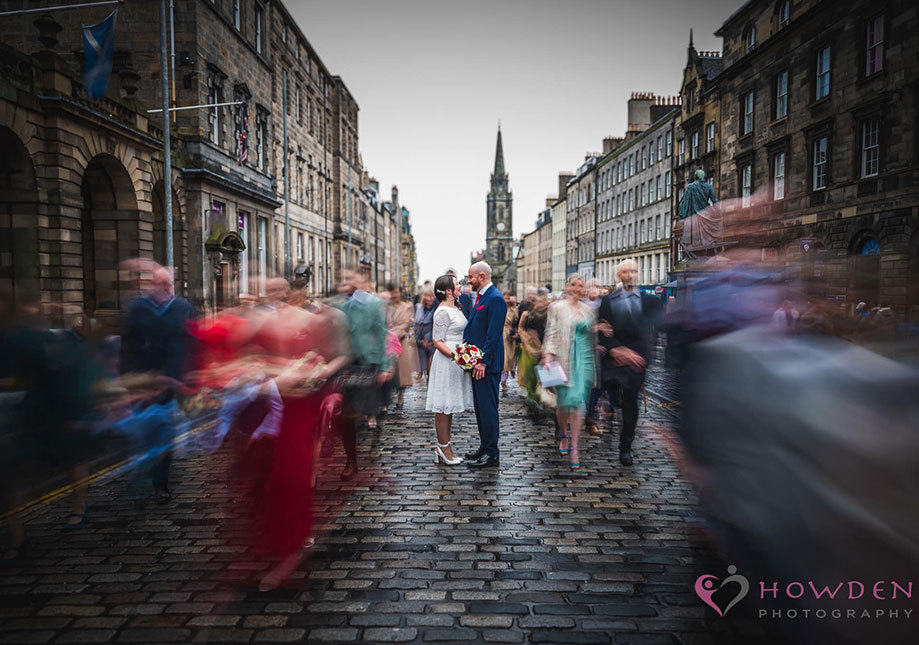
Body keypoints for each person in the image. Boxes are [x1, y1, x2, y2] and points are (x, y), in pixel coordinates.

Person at [120, 265, 194, 504]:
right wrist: (128, 377)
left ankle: (160, 483)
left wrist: (190, 376)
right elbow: (127, 346)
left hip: (172, 380)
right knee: (144, 430)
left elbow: (193, 344)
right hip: (144, 380)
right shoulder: (138, 308)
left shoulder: (184, 308)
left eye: (167, 283)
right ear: (152, 284)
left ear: (172, 284)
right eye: (159, 283)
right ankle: (144, 470)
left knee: (164, 432)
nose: (163, 288)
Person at [597, 260, 660, 466]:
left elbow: (653, 334)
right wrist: (616, 350)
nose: (630, 275)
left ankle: (626, 447)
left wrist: (643, 356)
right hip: (614, 360)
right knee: (615, 398)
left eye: (633, 271)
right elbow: (603, 331)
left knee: (630, 404)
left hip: (636, 361)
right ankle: (610, 403)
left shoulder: (649, 301)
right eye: (625, 271)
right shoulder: (607, 302)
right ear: (619, 275)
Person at [336, 271, 391, 480]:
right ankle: (351, 459)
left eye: (352, 279)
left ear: (362, 282)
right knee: (346, 414)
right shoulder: (339, 305)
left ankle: (370, 438)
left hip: (369, 362)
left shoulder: (375, 304)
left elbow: (382, 332)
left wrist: (386, 365)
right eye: (344, 280)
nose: (347, 283)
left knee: (365, 409)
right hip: (347, 363)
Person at [543, 274, 597, 470]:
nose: (577, 288)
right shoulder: (556, 308)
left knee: (578, 404)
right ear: (567, 287)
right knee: (564, 404)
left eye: (580, 285)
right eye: (573, 285)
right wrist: (548, 356)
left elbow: (592, 336)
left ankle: (575, 447)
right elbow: (550, 333)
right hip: (564, 358)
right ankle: (563, 434)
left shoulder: (588, 310)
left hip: (584, 360)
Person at [424, 275, 474, 465]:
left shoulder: (455, 307)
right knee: (443, 407)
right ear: (448, 291)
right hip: (447, 362)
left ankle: (446, 446)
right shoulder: (443, 311)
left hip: (456, 359)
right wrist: (456, 356)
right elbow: (437, 341)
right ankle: (442, 447)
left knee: (450, 406)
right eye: (456, 285)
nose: (460, 286)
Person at [462, 261, 507, 468]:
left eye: (471, 276)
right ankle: (484, 446)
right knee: (481, 409)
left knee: (488, 409)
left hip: (486, 366)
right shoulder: (482, 296)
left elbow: (494, 335)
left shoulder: (495, 298)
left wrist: (483, 362)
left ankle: (492, 453)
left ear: (482, 276)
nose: (468, 280)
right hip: (477, 363)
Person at [387, 284, 418, 410]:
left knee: (402, 372)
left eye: (396, 292)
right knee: (389, 371)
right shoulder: (386, 307)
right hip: (388, 343)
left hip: (402, 342)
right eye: (392, 292)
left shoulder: (407, 307)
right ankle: (386, 399)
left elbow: (407, 323)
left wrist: (394, 331)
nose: (394, 295)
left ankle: (400, 396)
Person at [517, 288, 549, 407]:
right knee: (531, 374)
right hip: (530, 348)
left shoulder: (548, 314)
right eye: (539, 301)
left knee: (543, 373)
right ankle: (533, 398)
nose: (541, 304)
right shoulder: (527, 314)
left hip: (543, 347)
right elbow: (520, 329)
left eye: (544, 301)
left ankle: (541, 397)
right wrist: (527, 344)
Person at [414, 289, 437, 381]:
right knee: (422, 364)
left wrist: (430, 340)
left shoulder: (437, 308)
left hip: (432, 341)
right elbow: (416, 325)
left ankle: (430, 385)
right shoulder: (418, 307)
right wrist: (420, 340)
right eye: (427, 296)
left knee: (430, 368)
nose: (429, 298)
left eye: (431, 296)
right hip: (420, 340)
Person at [501, 292, 519, 396]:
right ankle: (503, 382)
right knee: (504, 360)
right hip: (501, 335)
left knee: (510, 359)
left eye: (508, 298)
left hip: (510, 337)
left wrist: (515, 334)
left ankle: (506, 377)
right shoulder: (499, 309)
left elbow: (516, 323)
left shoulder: (513, 311)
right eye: (505, 298)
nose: (507, 300)